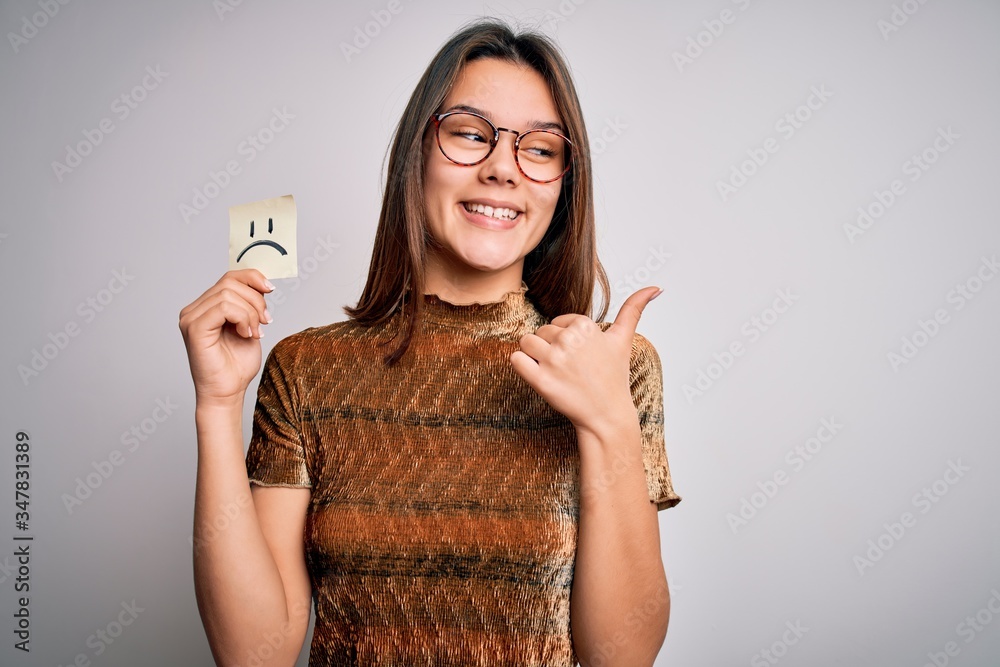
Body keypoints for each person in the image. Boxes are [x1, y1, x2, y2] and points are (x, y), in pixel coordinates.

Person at [179, 18, 681, 667]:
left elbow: (623, 656)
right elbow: (254, 655)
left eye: (539, 149)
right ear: (417, 154)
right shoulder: (306, 369)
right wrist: (218, 405)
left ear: (563, 185)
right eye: (470, 134)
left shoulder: (615, 367)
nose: (502, 169)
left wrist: (609, 422)